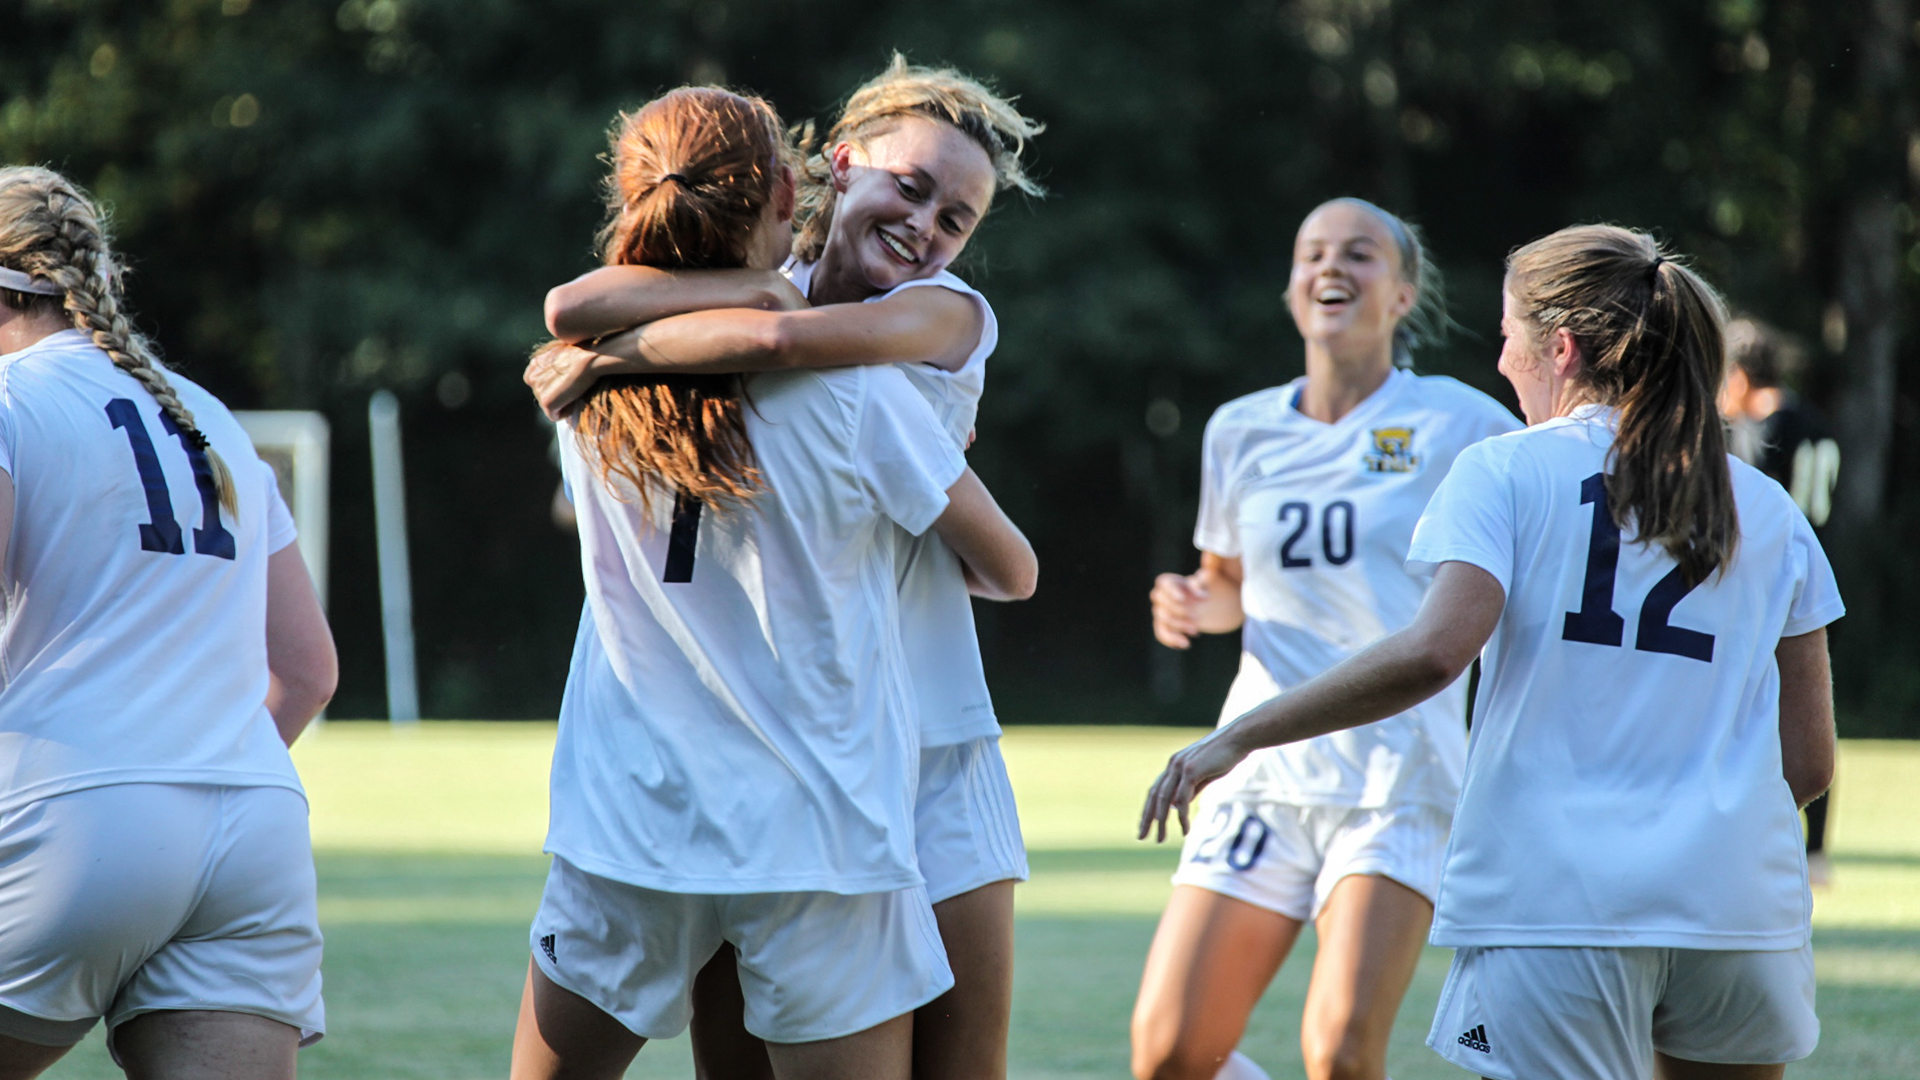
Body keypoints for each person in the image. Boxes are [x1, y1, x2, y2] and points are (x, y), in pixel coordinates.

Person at [1142, 224, 1840, 1080]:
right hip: (1741, 912)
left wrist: (1241, 734)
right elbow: (1807, 763)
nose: (1501, 357)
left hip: (1557, 904)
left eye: (1506, 333)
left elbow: (1435, 655)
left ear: (1562, 346)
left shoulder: (1504, 468)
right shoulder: (1771, 511)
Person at [527, 56, 1043, 1080]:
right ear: (836, 167)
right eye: (911, 185)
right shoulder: (761, 293)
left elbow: (772, 336)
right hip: (812, 736)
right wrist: (634, 336)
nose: (929, 225)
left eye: (958, 217)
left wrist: (617, 357)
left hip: (929, 734)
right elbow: (582, 305)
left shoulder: (941, 315)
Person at [1131, 198, 1519, 1080]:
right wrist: (1196, 601)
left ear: (1405, 293)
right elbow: (1230, 583)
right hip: (1259, 769)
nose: (1331, 268)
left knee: (1340, 1052)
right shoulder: (1240, 428)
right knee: (1169, 1054)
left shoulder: (1464, 424)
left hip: (1399, 775)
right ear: (1291, 286)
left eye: (1359, 254)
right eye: (1312, 254)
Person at [0, 167, 336, 1080]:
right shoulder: (212, 419)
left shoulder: (9, 404)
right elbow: (308, 673)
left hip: (69, 816)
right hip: (254, 828)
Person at [1721, 316, 1840, 886]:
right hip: (1822, 579)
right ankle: (1816, 849)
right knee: (1815, 713)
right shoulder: (1818, 420)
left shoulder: (1767, 429)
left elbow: (1758, 512)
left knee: (1766, 708)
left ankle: (1756, 830)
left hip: (1779, 584)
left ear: (1741, 374)